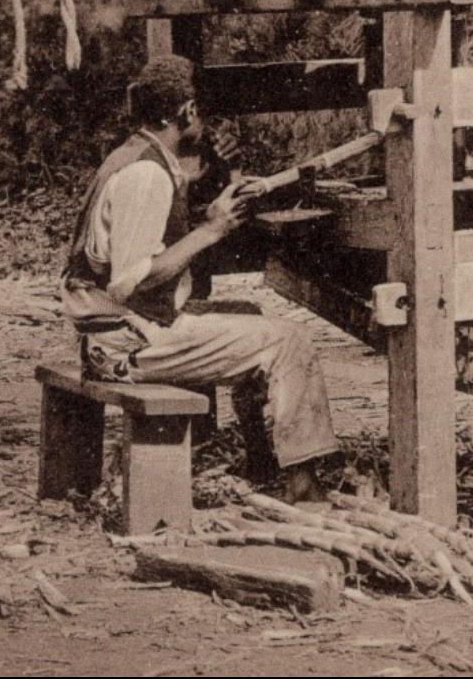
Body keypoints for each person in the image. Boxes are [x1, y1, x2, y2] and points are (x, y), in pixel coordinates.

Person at [60, 55, 340, 502]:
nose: (204, 124)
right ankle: (303, 488)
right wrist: (212, 230)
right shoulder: (146, 175)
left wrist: (212, 209)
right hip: (125, 343)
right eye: (202, 113)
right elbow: (129, 282)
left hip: (117, 331)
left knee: (249, 314)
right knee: (291, 340)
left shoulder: (132, 154)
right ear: (187, 111)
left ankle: (264, 460)